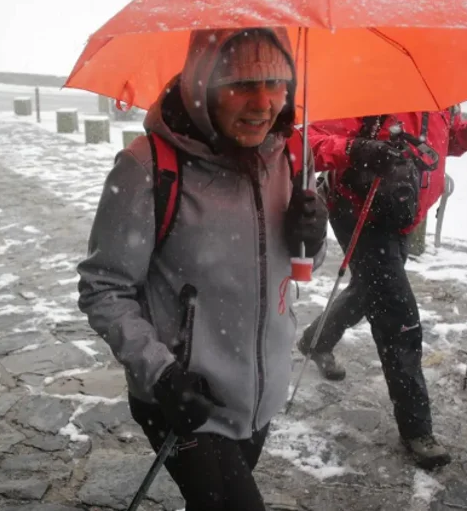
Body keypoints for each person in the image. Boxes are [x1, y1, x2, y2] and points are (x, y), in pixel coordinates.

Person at [77, 28, 329, 511]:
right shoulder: (149, 166)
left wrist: (314, 239)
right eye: (242, 83)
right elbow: (103, 288)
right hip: (184, 398)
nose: (263, 103)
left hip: (258, 396)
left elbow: (299, 266)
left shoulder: (293, 155)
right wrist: (161, 374)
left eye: (275, 83)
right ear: (203, 85)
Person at [301, 105, 467, 469]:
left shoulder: (437, 95)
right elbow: (309, 141)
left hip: (401, 214)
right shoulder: (374, 89)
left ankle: (316, 341)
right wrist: (358, 149)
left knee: (369, 291)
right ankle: (416, 427)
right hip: (361, 212)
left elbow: (446, 138)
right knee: (399, 319)